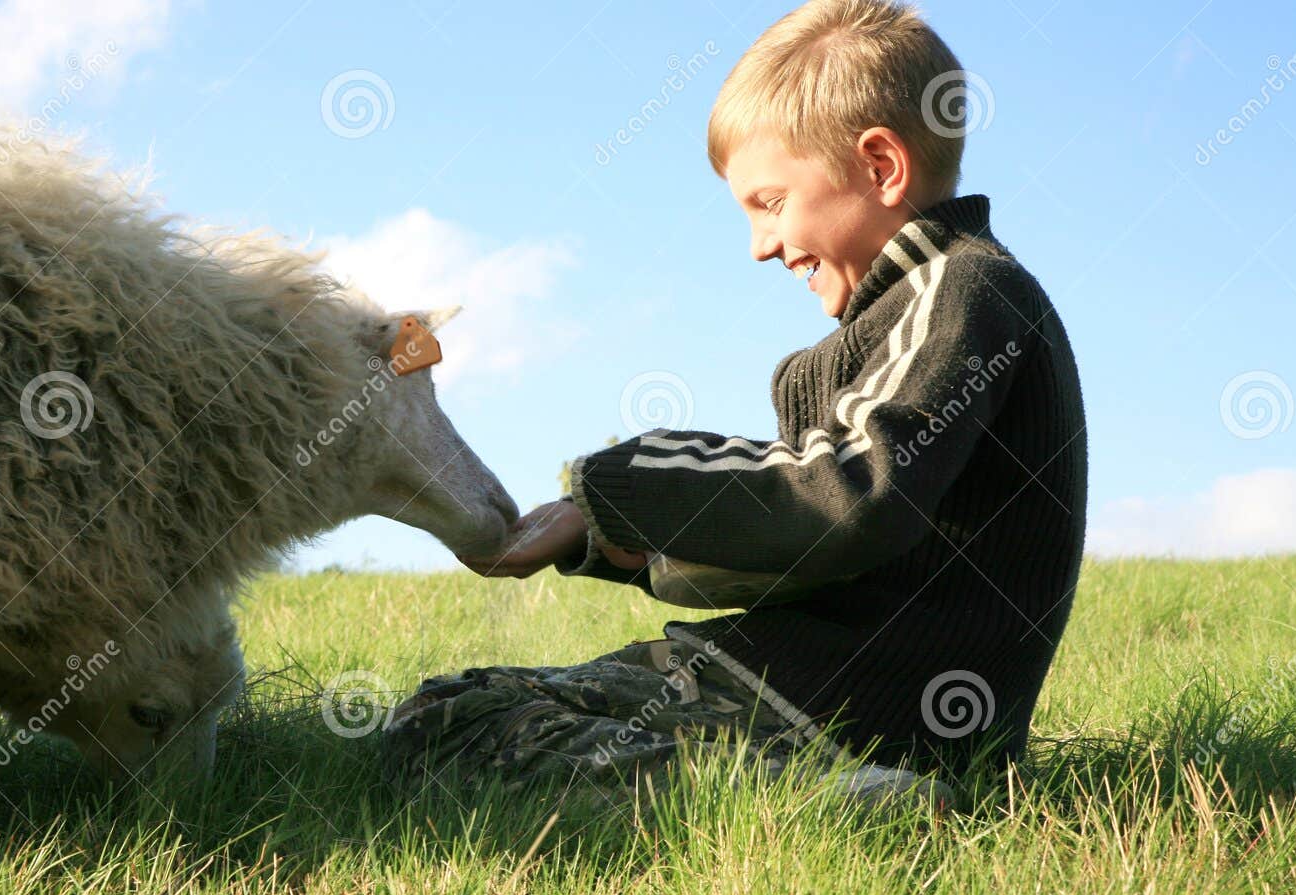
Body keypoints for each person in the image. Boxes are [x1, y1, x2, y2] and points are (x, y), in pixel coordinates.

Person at [382, 0, 1087, 814]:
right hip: (840, 697)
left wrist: (618, 485)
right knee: (451, 717)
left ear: (882, 166)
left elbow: (848, 495)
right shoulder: (909, 318)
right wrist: (614, 542)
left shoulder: (958, 288)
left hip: (836, 702)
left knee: (446, 722)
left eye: (770, 202)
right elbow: (809, 547)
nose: (759, 244)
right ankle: (818, 798)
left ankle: (805, 803)